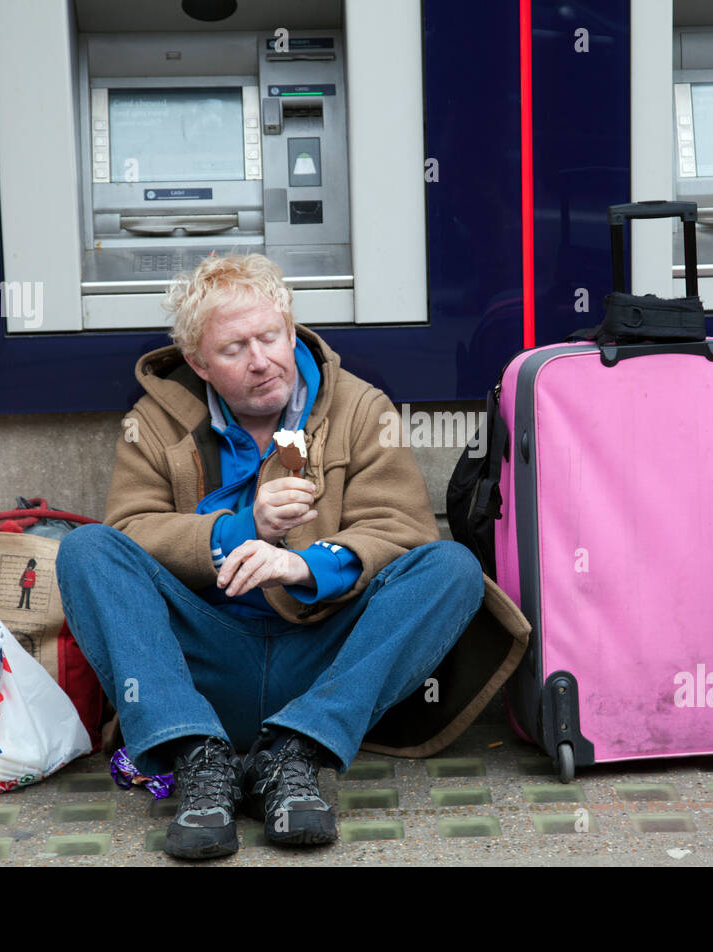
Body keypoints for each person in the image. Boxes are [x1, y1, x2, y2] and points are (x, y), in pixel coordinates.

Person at [56, 253, 528, 860]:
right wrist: (240, 527)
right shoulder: (153, 422)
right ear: (199, 362)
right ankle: (199, 757)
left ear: (290, 325)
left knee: (452, 569)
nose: (261, 360)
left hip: (323, 660)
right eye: (233, 349)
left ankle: (295, 753)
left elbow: (404, 530)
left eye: (270, 337)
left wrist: (305, 566)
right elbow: (131, 530)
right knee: (88, 549)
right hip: (203, 662)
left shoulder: (361, 408)